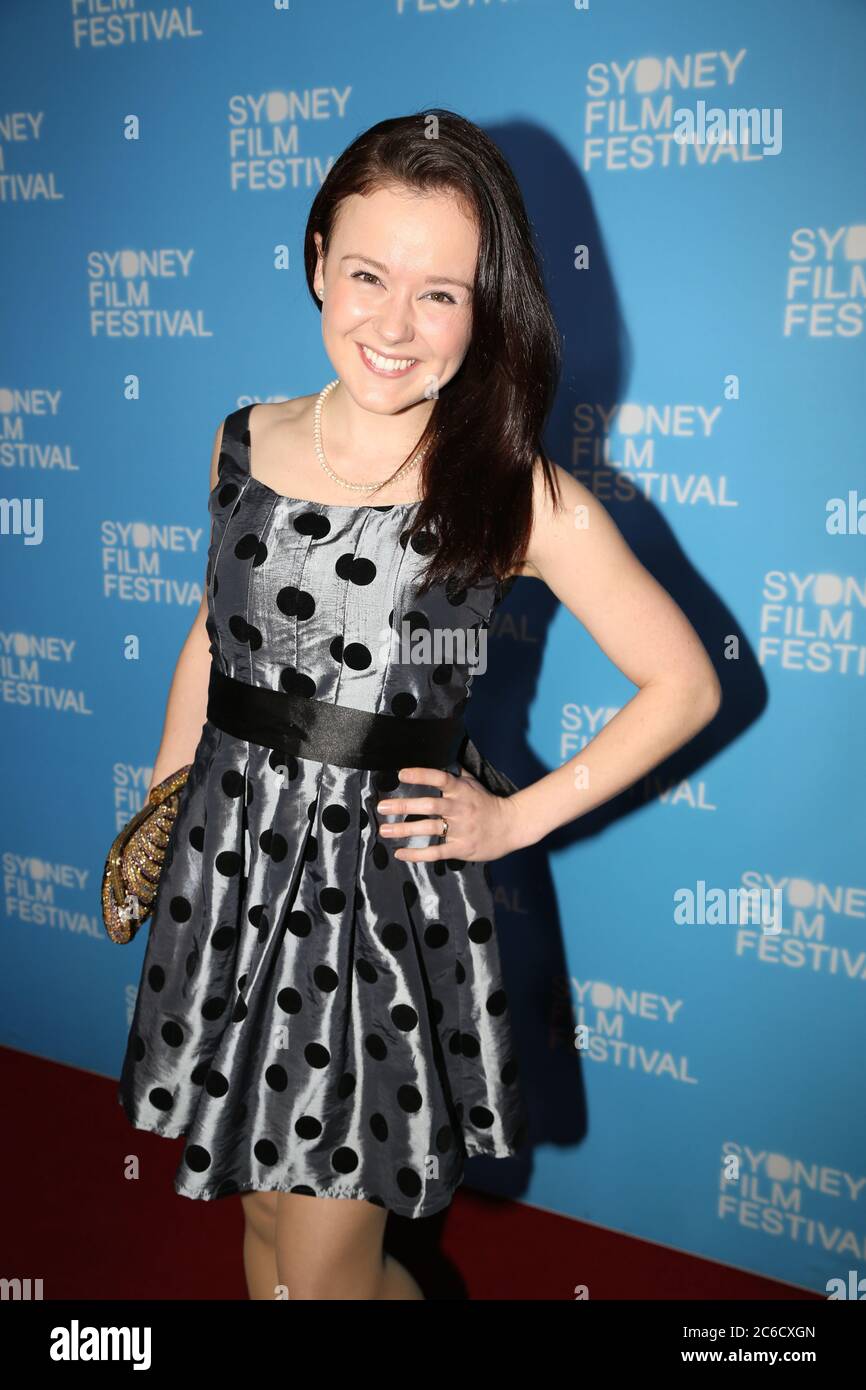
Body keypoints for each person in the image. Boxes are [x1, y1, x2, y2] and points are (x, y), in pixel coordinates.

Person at [117, 108, 721, 1301]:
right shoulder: (239, 443)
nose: (394, 325)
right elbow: (210, 636)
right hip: (229, 878)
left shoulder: (516, 492)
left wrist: (512, 821)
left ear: (485, 307)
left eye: (440, 293)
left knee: (328, 1257)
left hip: (374, 911)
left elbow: (686, 681)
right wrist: (161, 803)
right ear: (314, 261)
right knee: (263, 1227)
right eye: (366, 275)